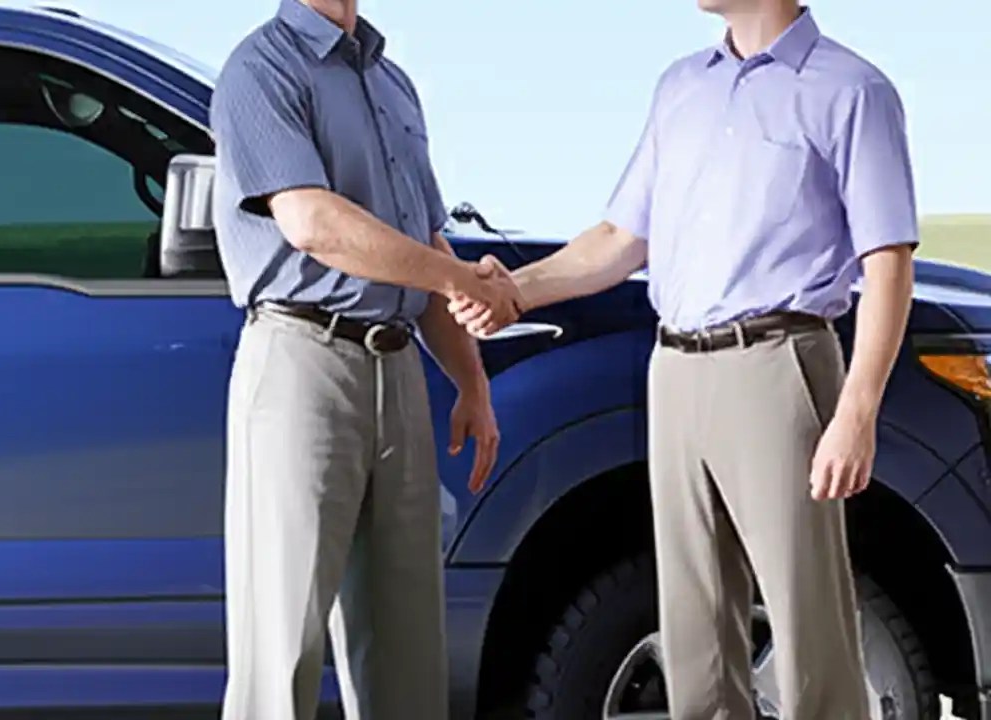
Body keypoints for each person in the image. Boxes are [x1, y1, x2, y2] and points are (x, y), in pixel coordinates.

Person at [452, 1, 917, 717]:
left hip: (777, 366)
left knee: (807, 627)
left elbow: (887, 263)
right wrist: (515, 291)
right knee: (694, 630)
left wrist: (857, 412)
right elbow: (618, 238)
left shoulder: (851, 90)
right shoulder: (681, 89)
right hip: (674, 371)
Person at [209, 0, 524, 718]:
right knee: (281, 645)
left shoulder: (392, 84)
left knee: (407, 650)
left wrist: (470, 381)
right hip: (302, 365)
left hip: (398, 371)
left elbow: (427, 242)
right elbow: (312, 223)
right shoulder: (260, 70)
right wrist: (455, 280)